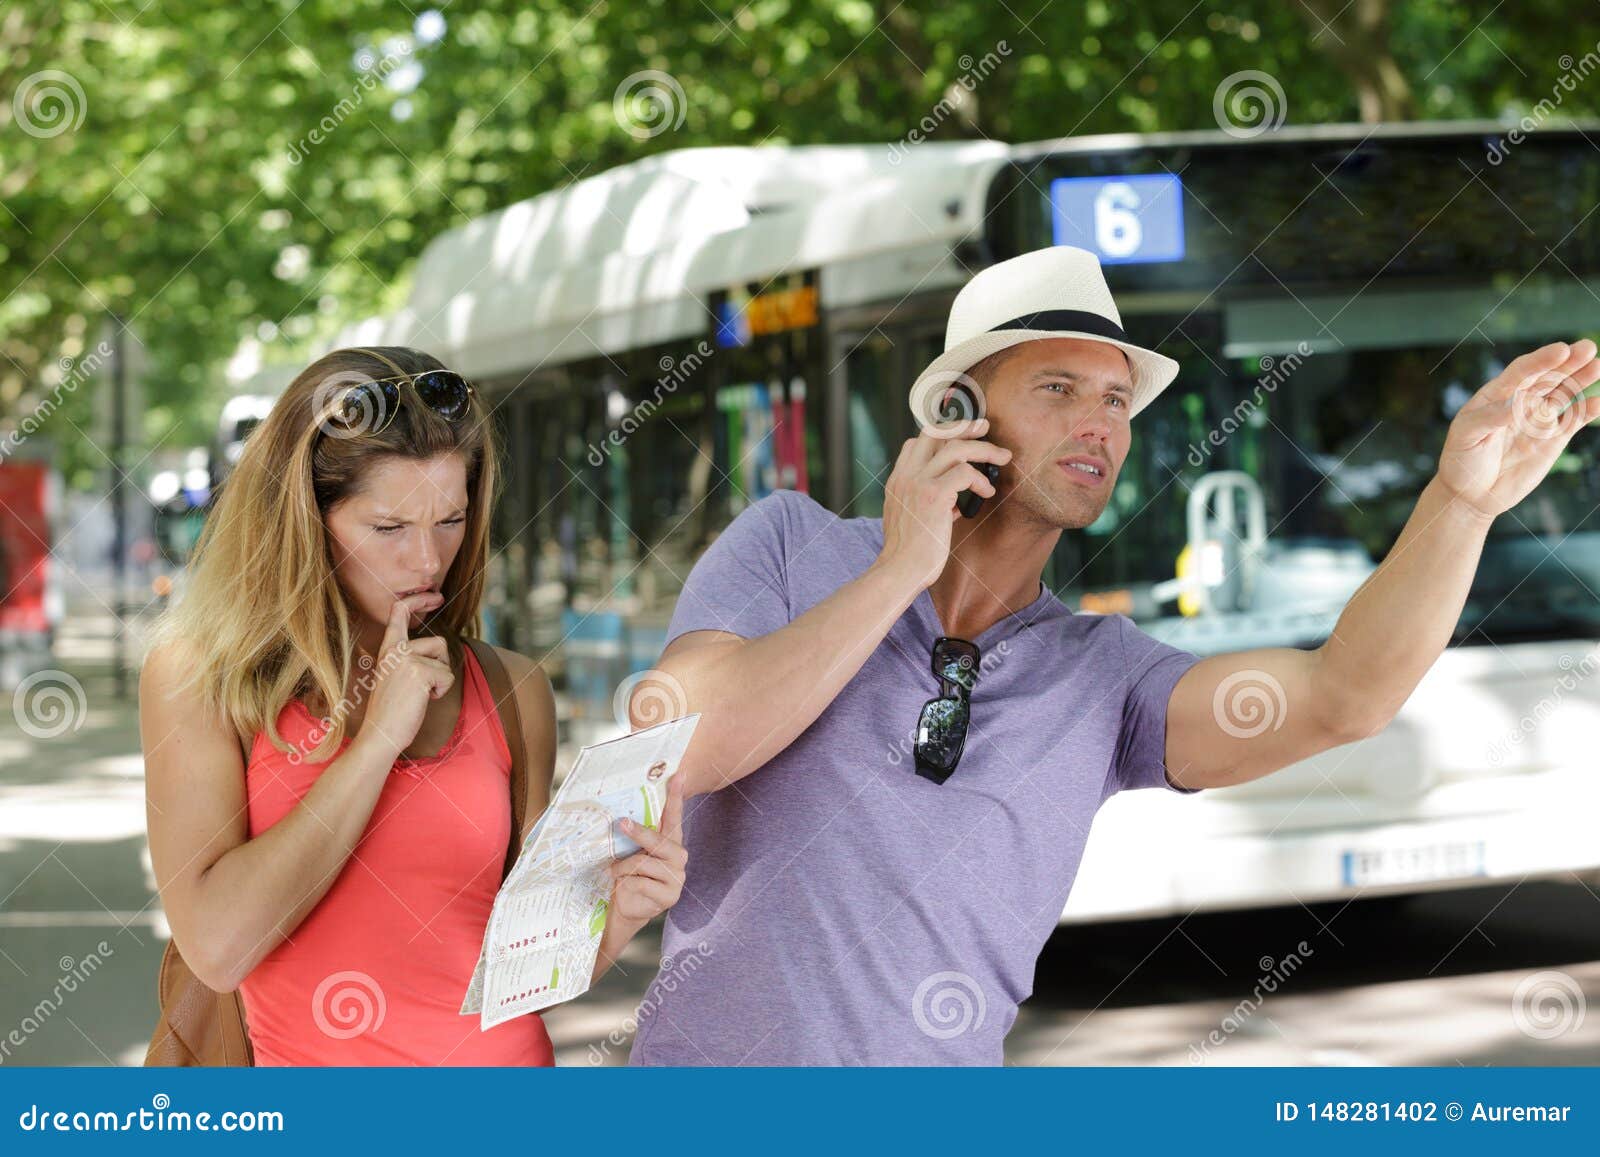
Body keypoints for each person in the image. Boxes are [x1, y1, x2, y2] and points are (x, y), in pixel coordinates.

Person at [624, 245, 1600, 1065]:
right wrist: (896, 571)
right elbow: (681, 739)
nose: (1100, 422)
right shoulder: (788, 543)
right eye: (1059, 389)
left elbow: (1342, 696)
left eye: (1115, 399)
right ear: (957, 413)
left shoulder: (1104, 672)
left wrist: (1461, 504)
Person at [141, 345, 688, 1066]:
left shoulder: (512, 689)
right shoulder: (200, 677)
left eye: (451, 520)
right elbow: (218, 947)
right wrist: (374, 744)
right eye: (389, 528)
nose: (428, 560)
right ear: (303, 520)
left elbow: (519, 974)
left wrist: (619, 916)